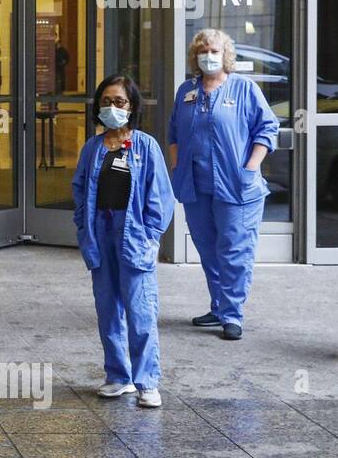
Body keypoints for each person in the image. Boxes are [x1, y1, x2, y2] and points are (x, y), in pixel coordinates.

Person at [168, 29, 279, 341]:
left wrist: (251, 167)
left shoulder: (244, 88)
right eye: (203, 50)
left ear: (226, 54)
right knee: (208, 248)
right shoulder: (186, 91)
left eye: (214, 50)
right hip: (196, 186)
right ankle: (218, 306)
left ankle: (232, 314)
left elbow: (268, 128)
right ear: (195, 56)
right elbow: (174, 130)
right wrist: (177, 164)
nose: (208, 55)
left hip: (237, 186)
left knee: (234, 250)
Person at [72, 75, 174, 408]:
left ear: (131, 107)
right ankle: (118, 376)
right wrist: (83, 229)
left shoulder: (145, 145)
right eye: (106, 101)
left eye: (120, 102)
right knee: (107, 308)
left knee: (140, 307)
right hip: (100, 230)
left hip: (134, 233)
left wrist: (150, 235)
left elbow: (161, 196)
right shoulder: (93, 148)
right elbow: (79, 189)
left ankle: (147, 380)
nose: (112, 107)